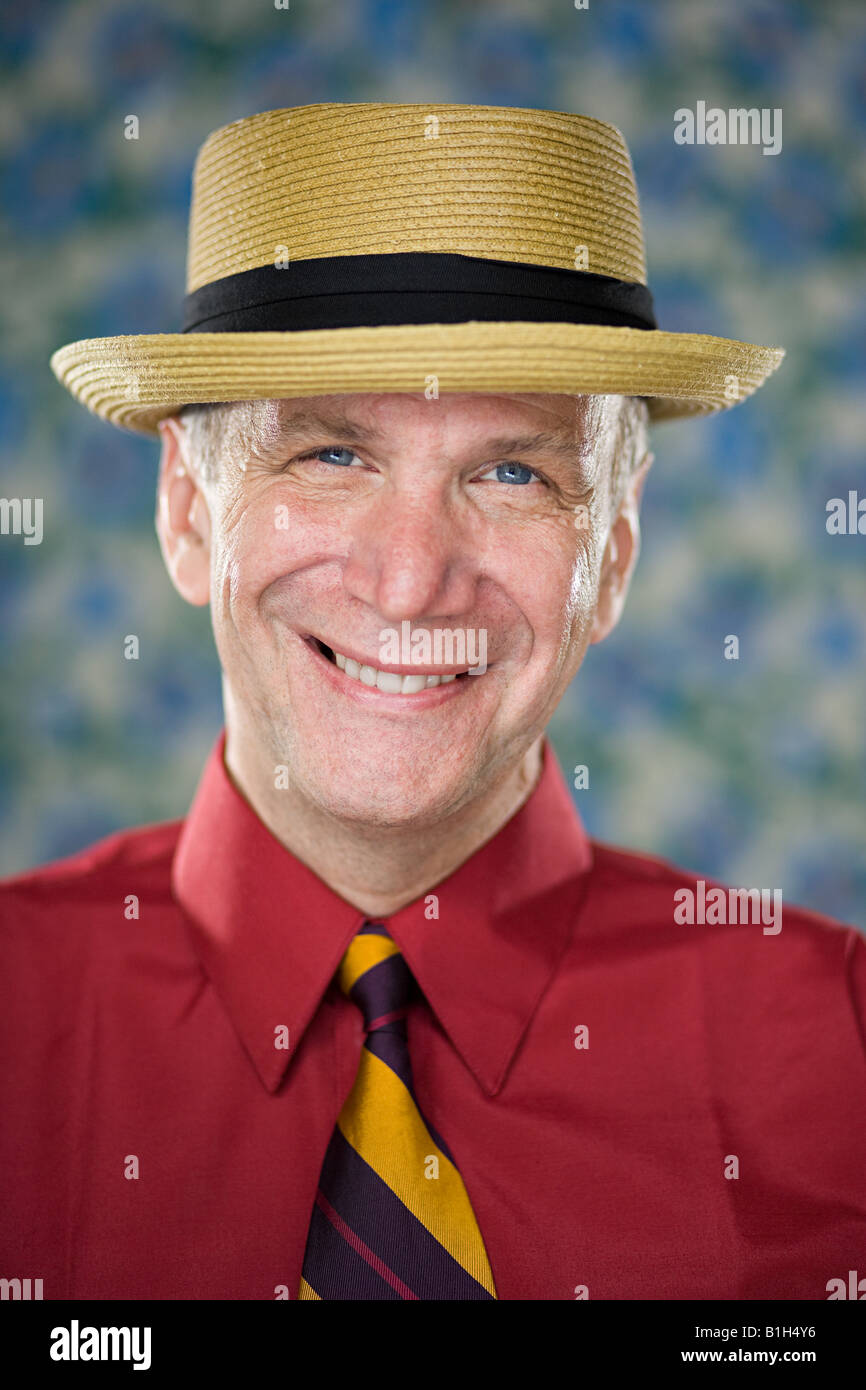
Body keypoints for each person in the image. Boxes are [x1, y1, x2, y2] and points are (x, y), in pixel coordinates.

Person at [2, 103, 863, 1301]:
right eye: (328, 455)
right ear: (188, 510)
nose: (410, 579)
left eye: (512, 472)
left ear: (611, 551)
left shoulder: (839, 1051)